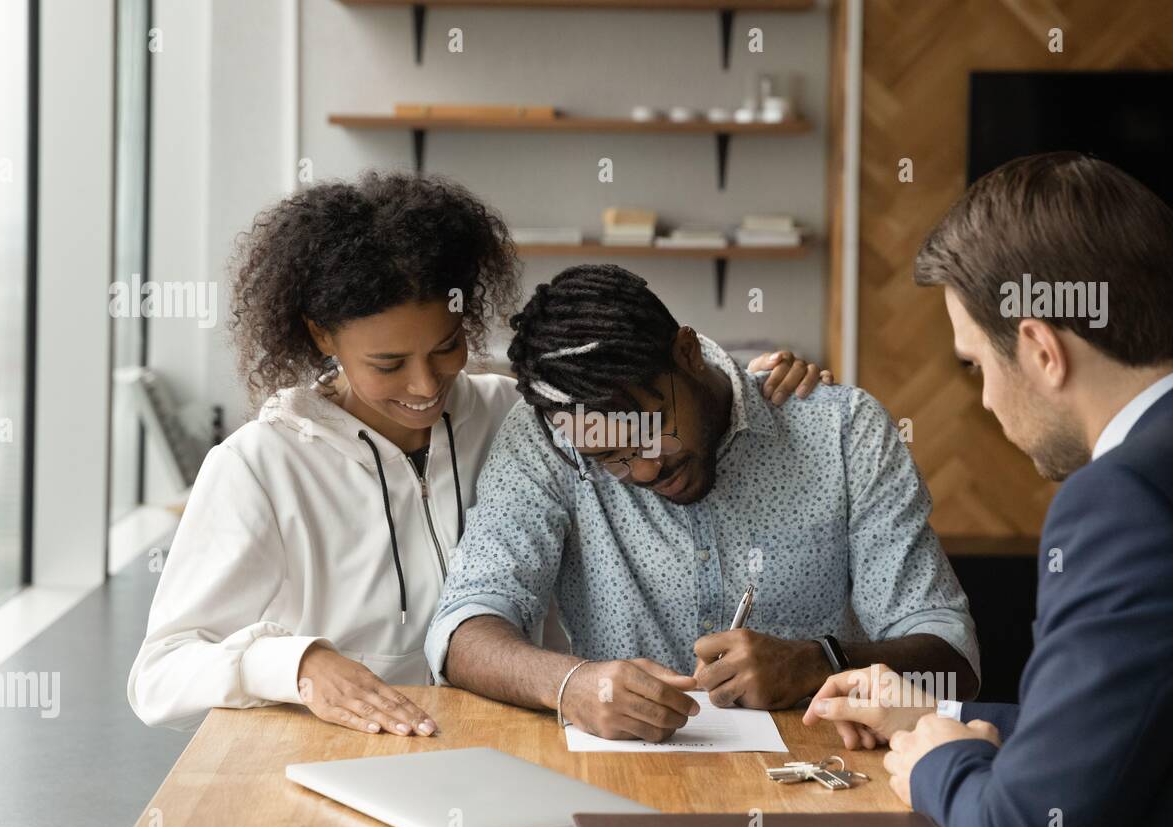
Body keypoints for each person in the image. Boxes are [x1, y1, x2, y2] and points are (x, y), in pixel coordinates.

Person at [127, 171, 826, 734]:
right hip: (338, 757)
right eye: (389, 364)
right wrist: (298, 664)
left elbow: (631, 382)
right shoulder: (257, 467)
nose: (426, 386)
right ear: (320, 337)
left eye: (447, 348)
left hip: (510, 742)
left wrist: (742, 381)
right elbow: (158, 673)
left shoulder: (511, 415)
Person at [807, 152, 1173, 827]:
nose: (985, 399)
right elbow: (1139, 733)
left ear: (1042, 349)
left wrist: (935, 767)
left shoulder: (1121, 502)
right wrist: (938, 717)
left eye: (977, 365)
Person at [425, 263, 979, 743]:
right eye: (609, 458)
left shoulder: (842, 430)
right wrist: (570, 686)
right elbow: (462, 631)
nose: (643, 469)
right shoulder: (547, 438)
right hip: (625, 780)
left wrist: (817, 662)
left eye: (652, 430)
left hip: (820, 777)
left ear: (687, 354)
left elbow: (955, 662)